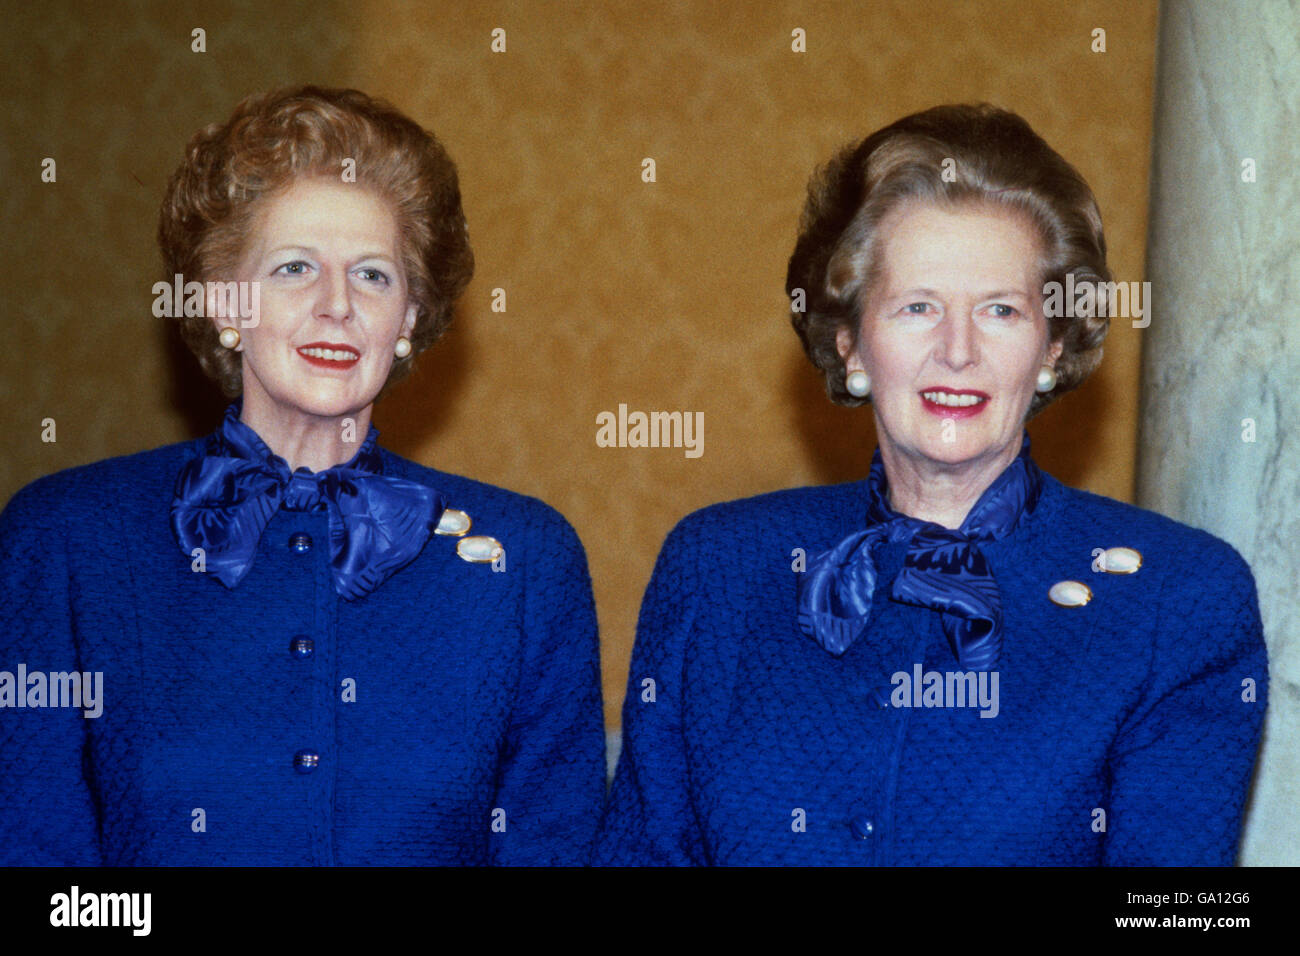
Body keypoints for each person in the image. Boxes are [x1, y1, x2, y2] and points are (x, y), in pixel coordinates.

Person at [595, 104, 1268, 866]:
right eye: (917, 307)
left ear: (1051, 347)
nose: (958, 351)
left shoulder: (1179, 597)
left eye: (1001, 310)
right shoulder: (718, 566)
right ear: (850, 340)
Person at [0, 85, 604, 866]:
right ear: (224, 299)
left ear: (410, 317)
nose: (337, 306)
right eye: (294, 269)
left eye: (374, 276)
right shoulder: (67, 539)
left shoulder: (522, 560)